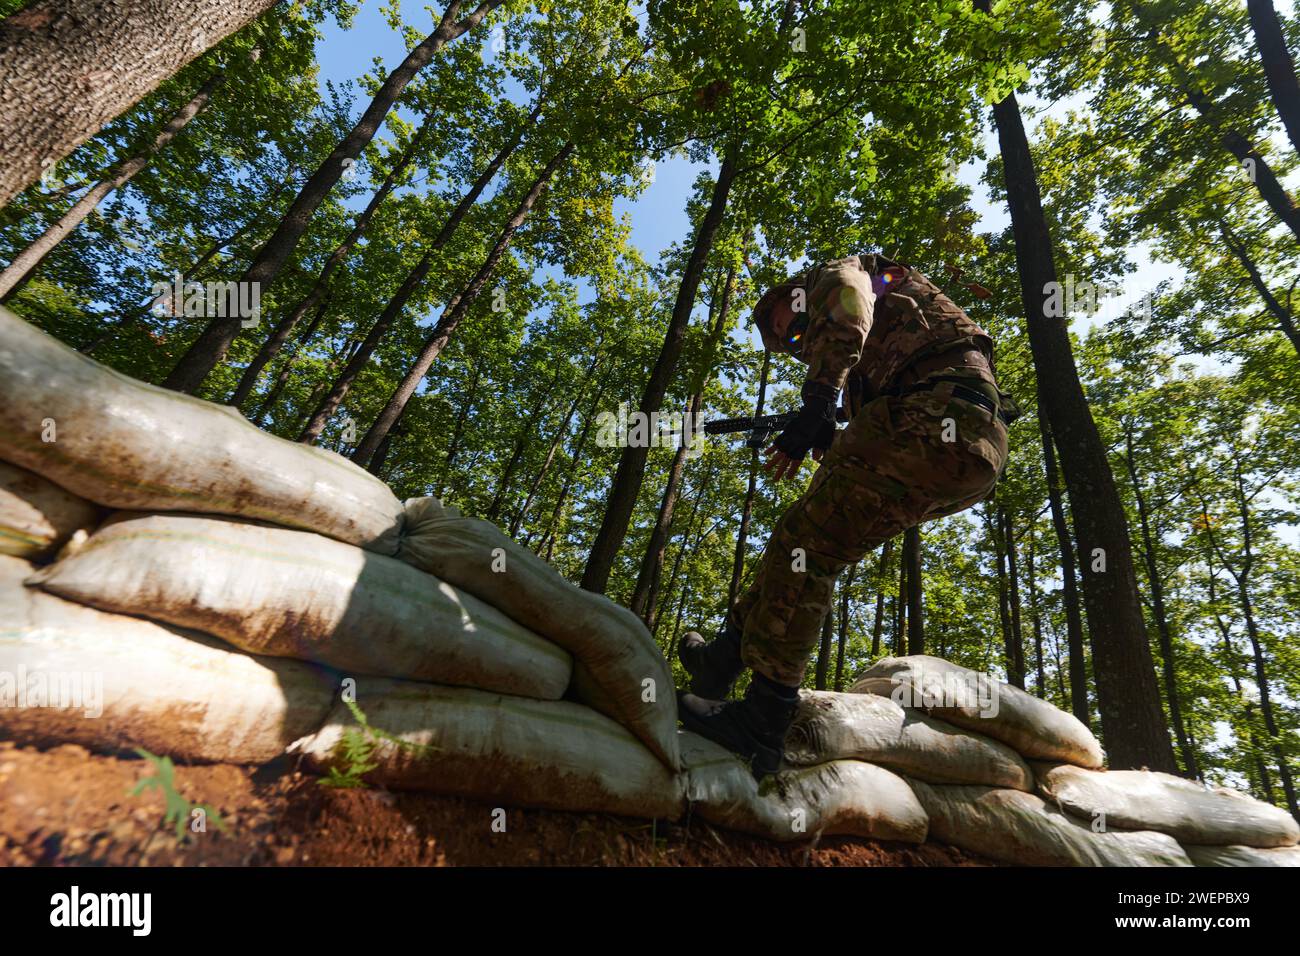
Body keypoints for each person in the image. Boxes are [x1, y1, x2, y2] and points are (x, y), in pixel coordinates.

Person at [676, 252, 1014, 778]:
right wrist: (829, 435)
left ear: (799, 292)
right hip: (966, 443)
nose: (798, 338)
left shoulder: (842, 274)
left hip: (939, 414)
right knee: (803, 538)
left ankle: (764, 721)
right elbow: (869, 408)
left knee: (806, 548)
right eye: (788, 342)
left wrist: (817, 401)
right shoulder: (870, 360)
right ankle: (721, 660)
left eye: (793, 323)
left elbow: (847, 306)